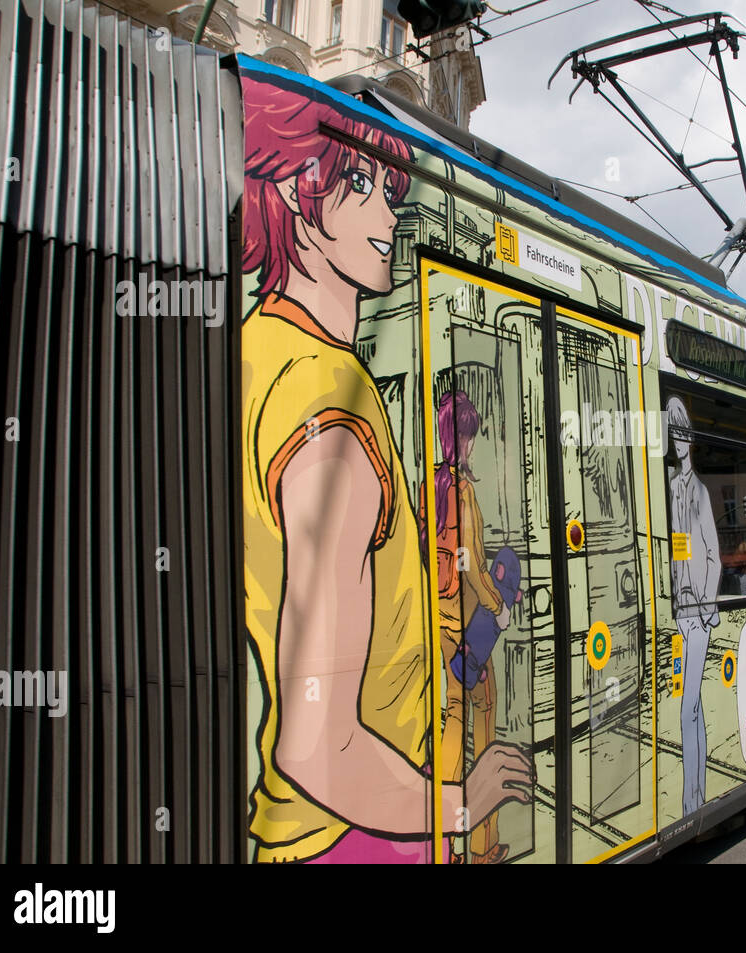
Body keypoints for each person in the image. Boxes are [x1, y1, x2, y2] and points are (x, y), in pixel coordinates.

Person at [240, 75, 530, 863]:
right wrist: (458, 807)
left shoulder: (255, 350)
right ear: (302, 194)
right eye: (361, 183)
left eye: (391, 189)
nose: (389, 213)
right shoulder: (328, 399)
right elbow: (317, 743)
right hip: (353, 834)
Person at [419, 390, 513, 864]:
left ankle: (448, 845)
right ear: (463, 437)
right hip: (468, 627)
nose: (473, 443)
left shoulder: (429, 487)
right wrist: (499, 607)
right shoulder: (464, 489)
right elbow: (474, 565)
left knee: (451, 727)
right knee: (485, 720)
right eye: (470, 434)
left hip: (438, 623)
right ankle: (482, 845)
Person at [666, 396, 720, 815]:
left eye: (683, 433)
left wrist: (703, 608)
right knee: (696, 707)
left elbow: (714, 559)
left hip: (696, 618)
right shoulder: (670, 488)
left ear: (691, 438)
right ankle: (699, 796)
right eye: (673, 434)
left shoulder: (699, 491)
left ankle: (689, 805)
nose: (678, 441)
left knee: (686, 710)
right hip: (678, 613)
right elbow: (677, 549)